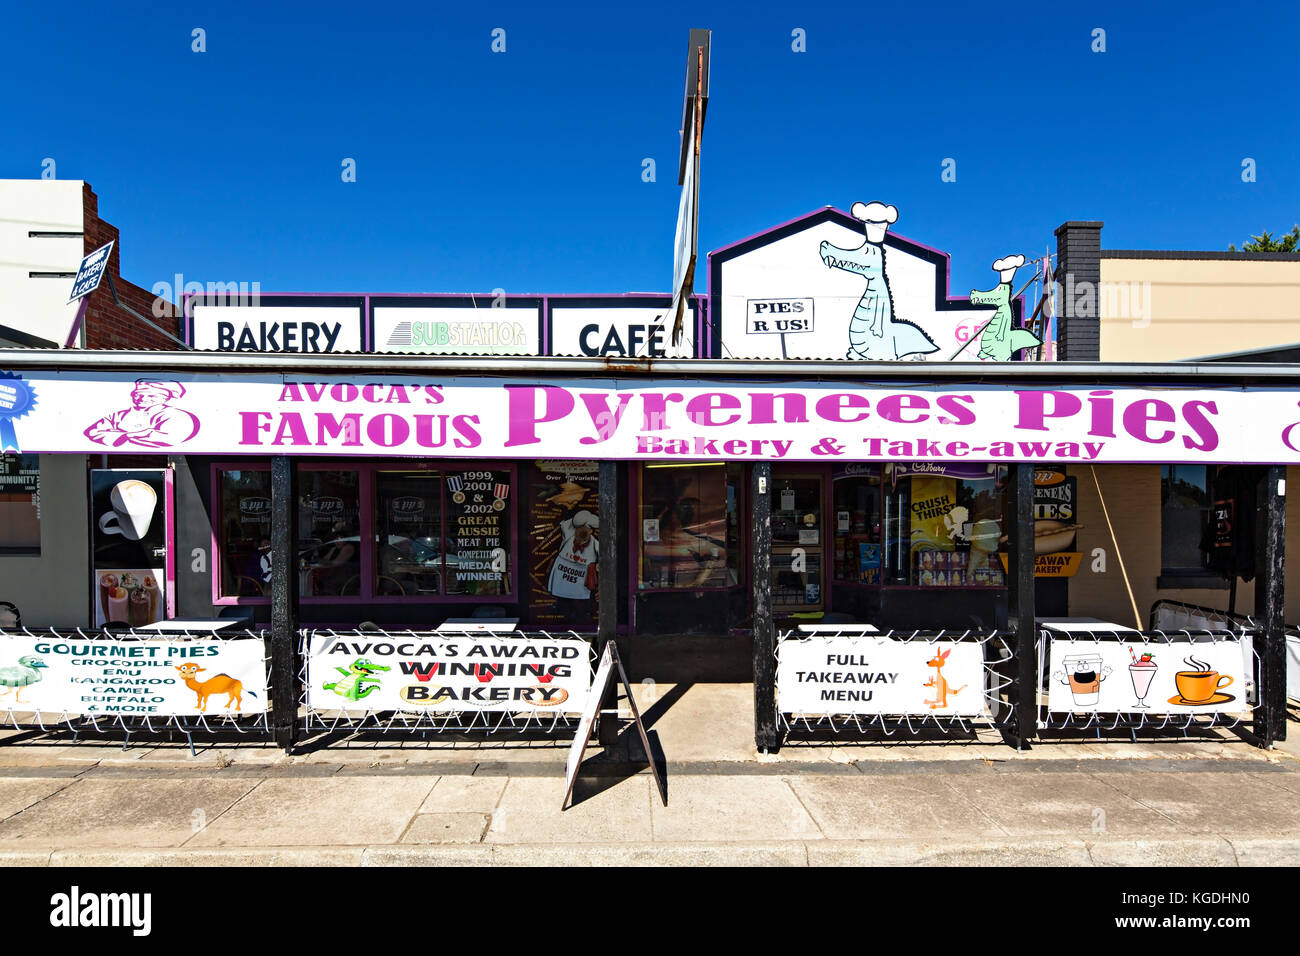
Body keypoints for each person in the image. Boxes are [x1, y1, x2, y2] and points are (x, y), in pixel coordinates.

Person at [84, 380, 200, 448]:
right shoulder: (118, 415)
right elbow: (92, 432)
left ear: (164, 398)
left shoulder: (176, 415)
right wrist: (128, 436)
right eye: (138, 394)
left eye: (151, 396)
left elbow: (169, 438)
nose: (142, 399)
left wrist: (124, 435)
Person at [548, 510, 599, 618]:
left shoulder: (595, 543)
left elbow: (604, 556)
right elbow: (566, 522)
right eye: (579, 529)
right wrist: (578, 517)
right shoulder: (568, 535)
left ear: (591, 531)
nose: (582, 532)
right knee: (564, 604)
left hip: (580, 582)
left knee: (581, 606)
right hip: (562, 580)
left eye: (587, 529)